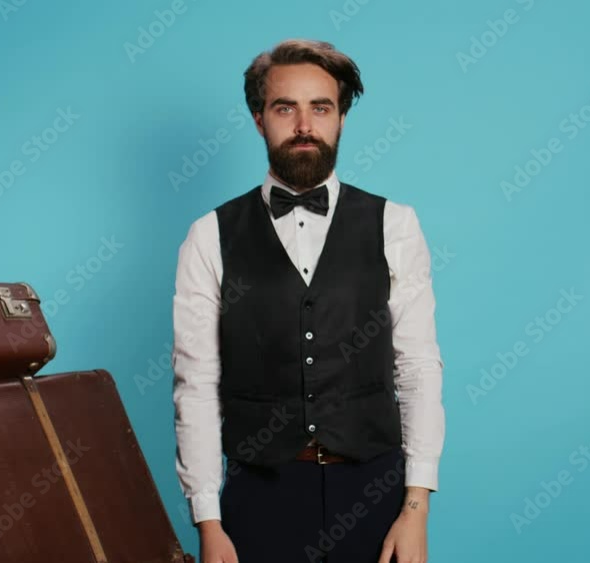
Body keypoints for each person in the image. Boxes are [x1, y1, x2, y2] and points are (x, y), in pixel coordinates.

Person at [172, 38, 445, 563]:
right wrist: (208, 521)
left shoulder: (396, 225)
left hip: (374, 491)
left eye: (320, 107)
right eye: (284, 108)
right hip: (260, 494)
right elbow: (197, 384)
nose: (303, 125)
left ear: (341, 117)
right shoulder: (208, 235)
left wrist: (416, 508)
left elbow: (417, 369)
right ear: (258, 119)